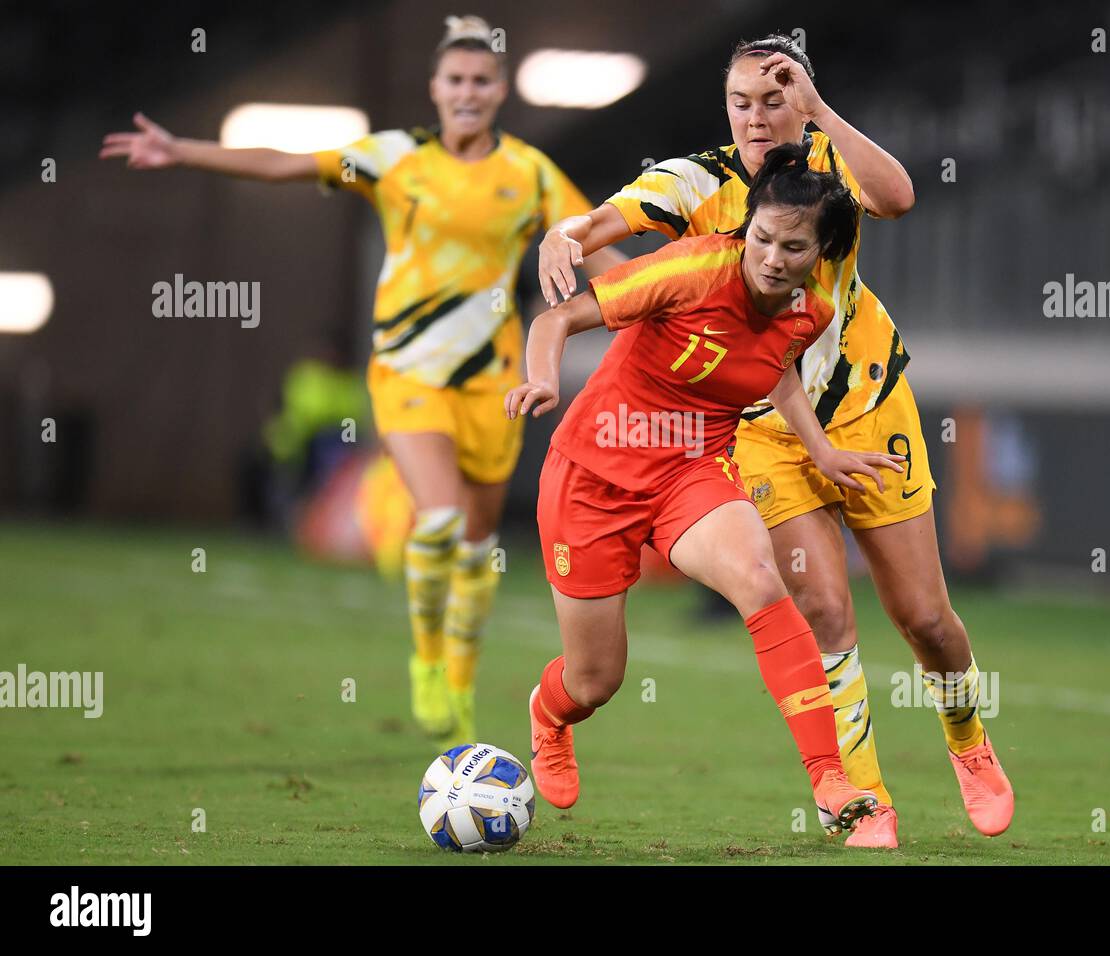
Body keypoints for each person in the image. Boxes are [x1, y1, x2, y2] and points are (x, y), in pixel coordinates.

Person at [535, 34, 1014, 845]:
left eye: (774, 97)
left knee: (927, 620)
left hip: (865, 406)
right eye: (740, 101)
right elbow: (610, 218)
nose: (756, 117)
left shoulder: (831, 165)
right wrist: (566, 232)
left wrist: (820, 108)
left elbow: (897, 197)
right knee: (822, 607)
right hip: (754, 425)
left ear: (802, 100)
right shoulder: (701, 180)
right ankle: (859, 797)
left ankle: (967, 739)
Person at [100, 15, 625, 744]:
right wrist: (183, 150)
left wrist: (663, 298)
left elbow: (594, 243)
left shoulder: (531, 173)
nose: (468, 92)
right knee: (437, 522)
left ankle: (460, 671)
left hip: (494, 380)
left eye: (481, 80)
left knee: (475, 544)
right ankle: (426, 662)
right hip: (406, 371)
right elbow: (287, 163)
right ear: (435, 88)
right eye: (456, 80)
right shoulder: (392, 158)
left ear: (499, 90)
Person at [506, 144, 908, 839]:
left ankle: (828, 777)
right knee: (595, 680)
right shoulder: (692, 268)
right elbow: (557, 319)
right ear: (745, 225)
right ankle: (549, 716)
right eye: (762, 237)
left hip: (692, 469)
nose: (772, 257)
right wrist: (543, 376)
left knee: (761, 578)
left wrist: (822, 449)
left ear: (822, 253)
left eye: (793, 245)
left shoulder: (807, 312)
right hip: (593, 475)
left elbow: (774, 369)